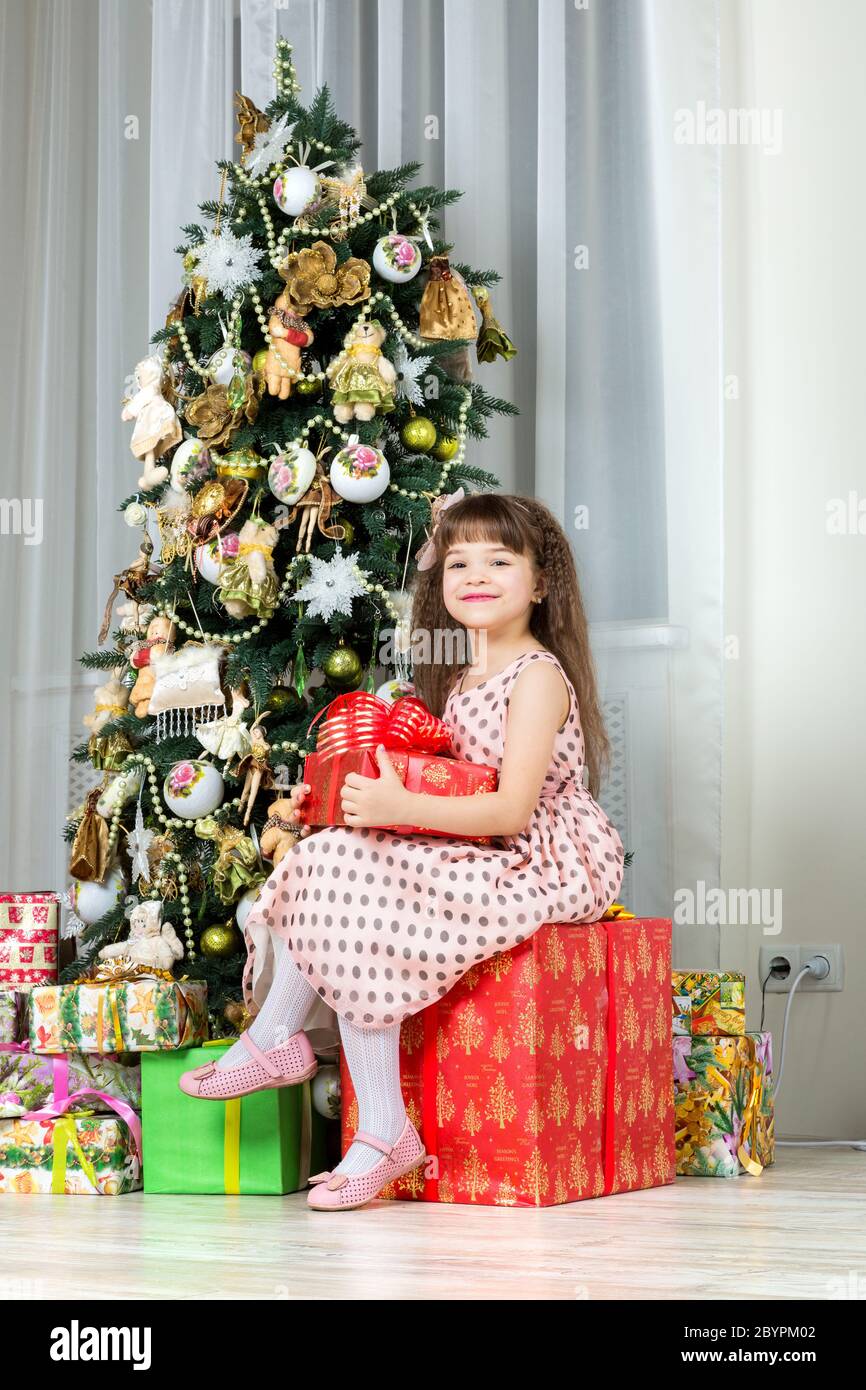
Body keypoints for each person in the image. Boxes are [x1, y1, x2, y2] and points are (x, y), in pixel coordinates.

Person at [178, 492, 625, 1210]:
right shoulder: (462, 675)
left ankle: (332, 1087)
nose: (476, 575)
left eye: (499, 561)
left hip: (543, 853)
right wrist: (328, 802)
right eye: (459, 562)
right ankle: (319, 1074)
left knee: (364, 898)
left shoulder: (536, 676)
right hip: (477, 834)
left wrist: (399, 811)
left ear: (541, 583)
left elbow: (511, 807)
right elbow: (440, 776)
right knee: (328, 855)